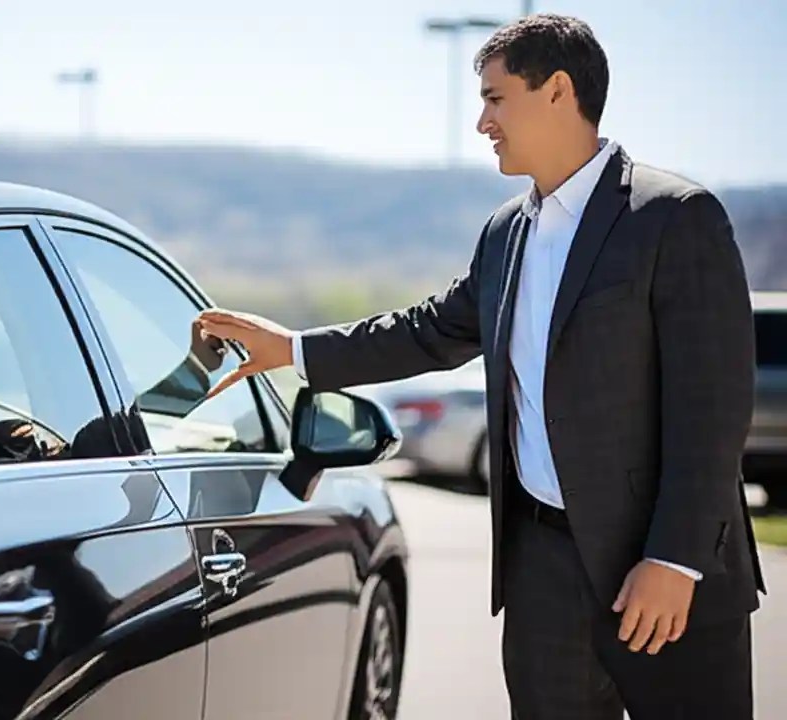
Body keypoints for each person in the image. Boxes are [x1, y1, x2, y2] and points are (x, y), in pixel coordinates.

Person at [197, 13, 764, 719]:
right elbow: (430, 331)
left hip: (663, 575)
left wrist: (674, 560)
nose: (482, 123)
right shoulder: (506, 231)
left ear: (557, 91)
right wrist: (296, 350)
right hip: (543, 575)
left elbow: (711, 411)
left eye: (496, 99)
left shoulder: (675, 216)